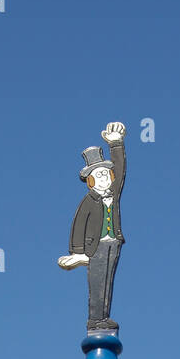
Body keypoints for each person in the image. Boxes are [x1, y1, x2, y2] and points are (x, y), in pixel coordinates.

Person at [58, 121, 126, 332]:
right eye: (98, 176)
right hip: (94, 247)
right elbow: (79, 225)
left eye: (105, 174)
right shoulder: (88, 202)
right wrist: (78, 252)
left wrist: (116, 145)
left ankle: (103, 317)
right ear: (90, 181)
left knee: (107, 279)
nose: (103, 179)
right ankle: (95, 319)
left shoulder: (113, 195)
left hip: (112, 243)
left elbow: (121, 170)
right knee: (96, 281)